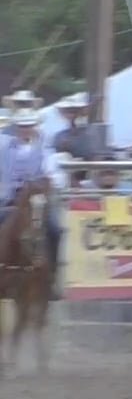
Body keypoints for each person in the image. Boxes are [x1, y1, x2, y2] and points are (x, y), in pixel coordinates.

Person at [0, 110, 63, 299]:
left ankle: (51, 278)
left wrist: (43, 184)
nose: (25, 129)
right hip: (10, 199)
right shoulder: (4, 149)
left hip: (37, 200)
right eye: (22, 126)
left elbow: (55, 176)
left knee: (54, 229)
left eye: (28, 126)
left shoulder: (46, 151)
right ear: (17, 128)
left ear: (35, 127)